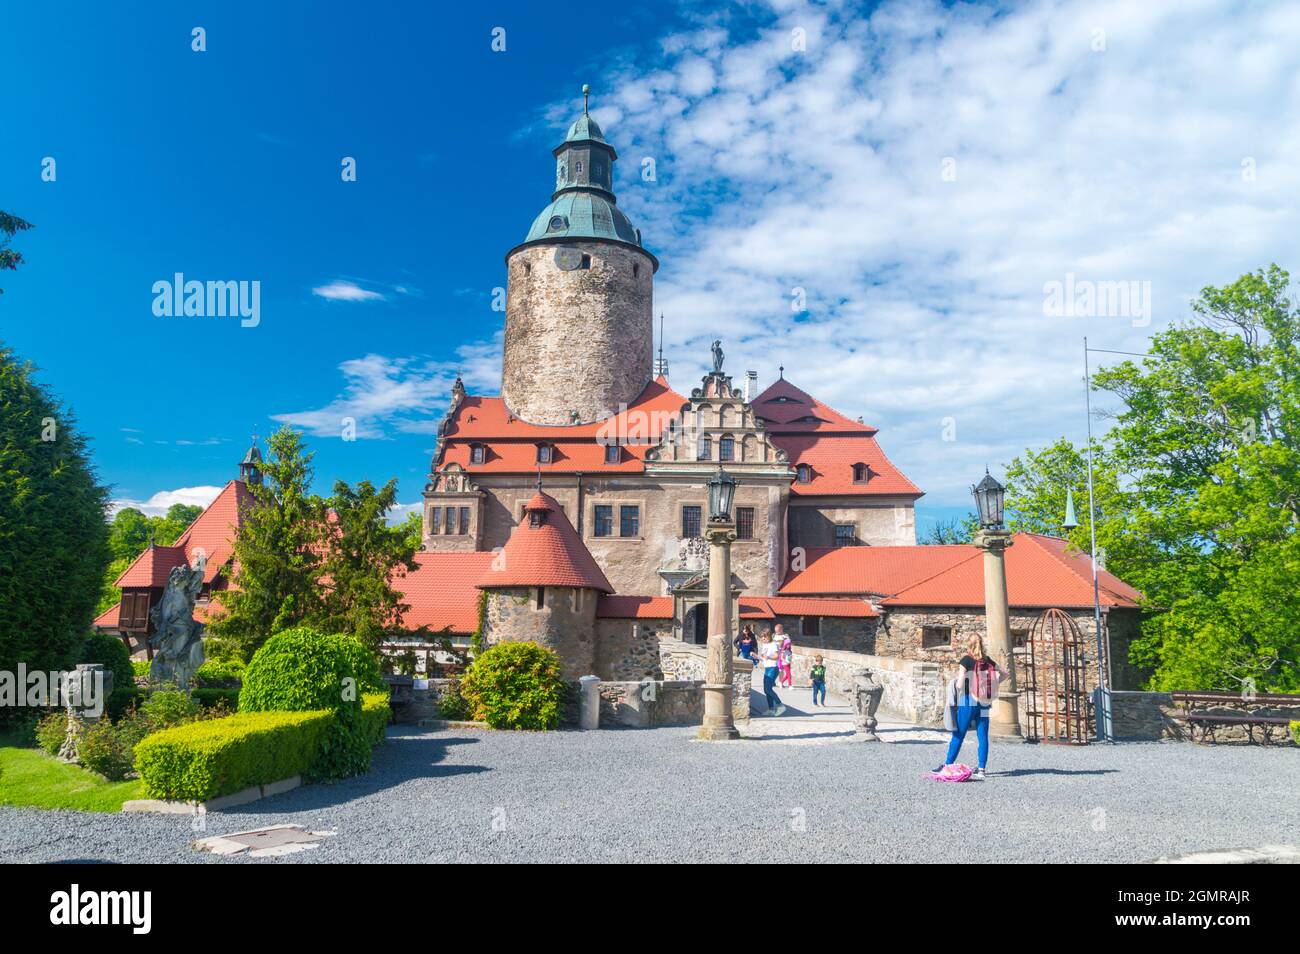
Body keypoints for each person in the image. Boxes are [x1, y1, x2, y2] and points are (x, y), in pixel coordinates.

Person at [935, 635, 1006, 780]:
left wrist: (954, 684)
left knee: (959, 734)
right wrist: (994, 684)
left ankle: (948, 765)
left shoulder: (966, 660)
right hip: (985, 702)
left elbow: (960, 685)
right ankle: (981, 769)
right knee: (982, 736)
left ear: (969, 645)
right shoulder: (987, 660)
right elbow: (1005, 674)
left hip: (968, 701)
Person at [757, 631, 785, 716]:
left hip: (773, 668)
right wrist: (755, 655)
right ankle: (771, 709)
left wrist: (768, 656)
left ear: (769, 636)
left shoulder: (773, 644)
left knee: (768, 689)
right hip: (767, 668)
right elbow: (764, 659)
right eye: (762, 637)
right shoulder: (764, 645)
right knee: (766, 690)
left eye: (765, 637)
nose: (763, 638)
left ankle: (780, 705)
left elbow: (777, 656)